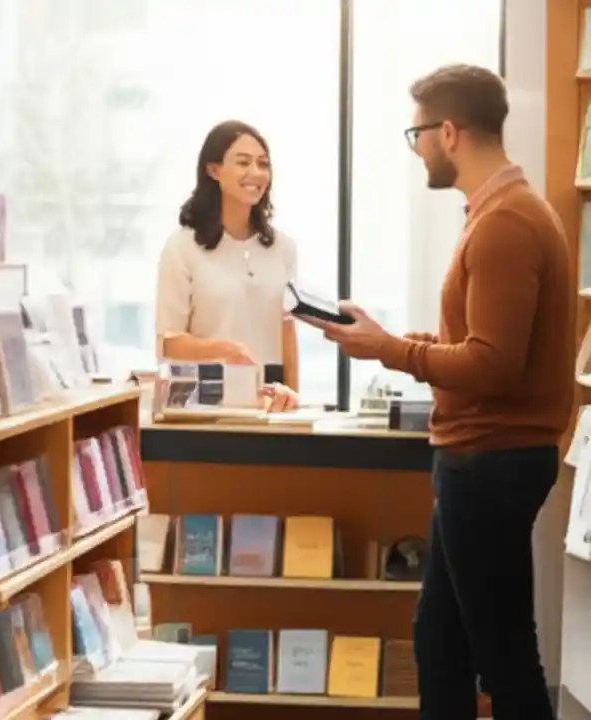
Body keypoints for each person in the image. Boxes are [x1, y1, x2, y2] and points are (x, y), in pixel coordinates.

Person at [306, 64, 573, 720]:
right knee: (441, 640)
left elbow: (492, 365)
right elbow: (476, 342)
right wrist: (389, 339)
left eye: (417, 134)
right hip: (482, 457)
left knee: (503, 655)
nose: (417, 148)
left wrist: (388, 350)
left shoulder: (506, 223)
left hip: (489, 460)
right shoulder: (498, 213)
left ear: (448, 132)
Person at [156, 120, 299, 411]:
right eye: (243, 162)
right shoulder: (182, 247)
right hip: (206, 410)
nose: (255, 173)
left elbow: (287, 333)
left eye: (263, 164)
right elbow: (168, 343)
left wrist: (294, 400)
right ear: (214, 170)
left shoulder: (283, 248)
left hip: (269, 410)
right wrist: (224, 350)